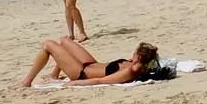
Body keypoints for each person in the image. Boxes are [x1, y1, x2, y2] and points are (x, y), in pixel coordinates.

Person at [19, 38, 165, 89]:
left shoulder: (130, 71)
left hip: (81, 73)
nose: (132, 54)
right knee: (64, 41)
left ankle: (27, 81)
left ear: (139, 56)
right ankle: (54, 74)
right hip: (90, 64)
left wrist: (74, 83)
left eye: (134, 52)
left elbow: (99, 80)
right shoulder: (135, 64)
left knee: (48, 45)